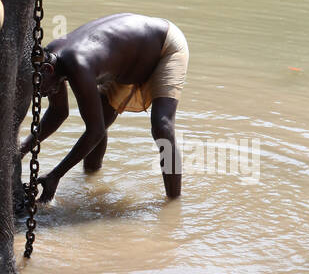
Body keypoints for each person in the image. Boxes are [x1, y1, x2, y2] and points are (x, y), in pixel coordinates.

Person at [19, 13, 189, 200]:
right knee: (101, 119)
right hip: (127, 66)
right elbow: (59, 112)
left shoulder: (77, 64)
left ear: (48, 71)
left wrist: (55, 175)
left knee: (161, 126)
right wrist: (21, 151)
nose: (40, 94)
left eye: (39, 88)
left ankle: (174, 204)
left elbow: (95, 130)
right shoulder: (48, 59)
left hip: (164, 48)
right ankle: (91, 179)